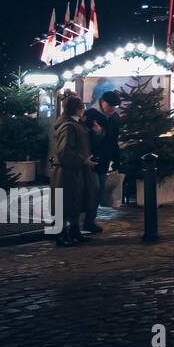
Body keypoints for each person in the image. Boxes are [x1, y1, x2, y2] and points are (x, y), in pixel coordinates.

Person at [48, 94, 94, 246]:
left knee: (74, 203)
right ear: (78, 109)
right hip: (67, 172)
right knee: (65, 204)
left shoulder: (74, 124)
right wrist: (82, 160)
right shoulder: (69, 126)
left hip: (73, 171)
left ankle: (74, 233)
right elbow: (64, 150)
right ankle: (60, 236)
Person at [83, 90, 122, 232]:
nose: (112, 109)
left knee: (99, 191)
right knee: (95, 189)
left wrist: (116, 158)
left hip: (105, 159)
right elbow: (85, 139)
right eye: (110, 106)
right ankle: (86, 220)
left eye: (115, 107)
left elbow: (114, 141)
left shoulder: (114, 118)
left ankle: (90, 220)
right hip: (91, 159)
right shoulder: (91, 115)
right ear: (102, 102)